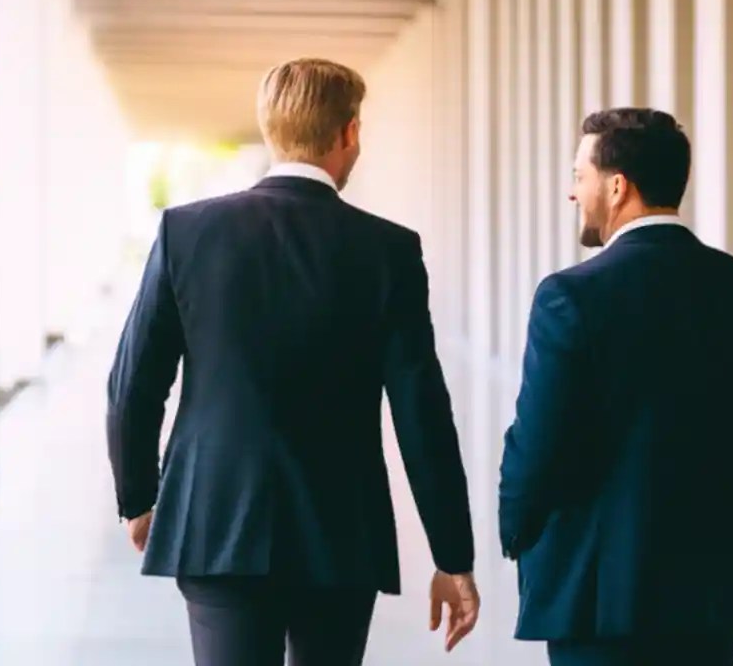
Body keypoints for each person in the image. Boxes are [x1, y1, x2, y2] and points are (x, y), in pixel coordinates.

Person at [107, 58, 480, 666]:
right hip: (340, 530)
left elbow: (132, 384)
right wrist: (452, 556)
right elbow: (423, 415)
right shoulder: (388, 250)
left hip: (215, 516)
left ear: (271, 128)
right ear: (350, 133)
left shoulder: (187, 231)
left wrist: (140, 498)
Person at [498, 108, 733, 666]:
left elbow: (539, 445)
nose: (573, 193)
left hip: (597, 587)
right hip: (716, 585)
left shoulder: (570, 297)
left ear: (617, 186)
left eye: (580, 176)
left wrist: (516, 529)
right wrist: (714, 496)